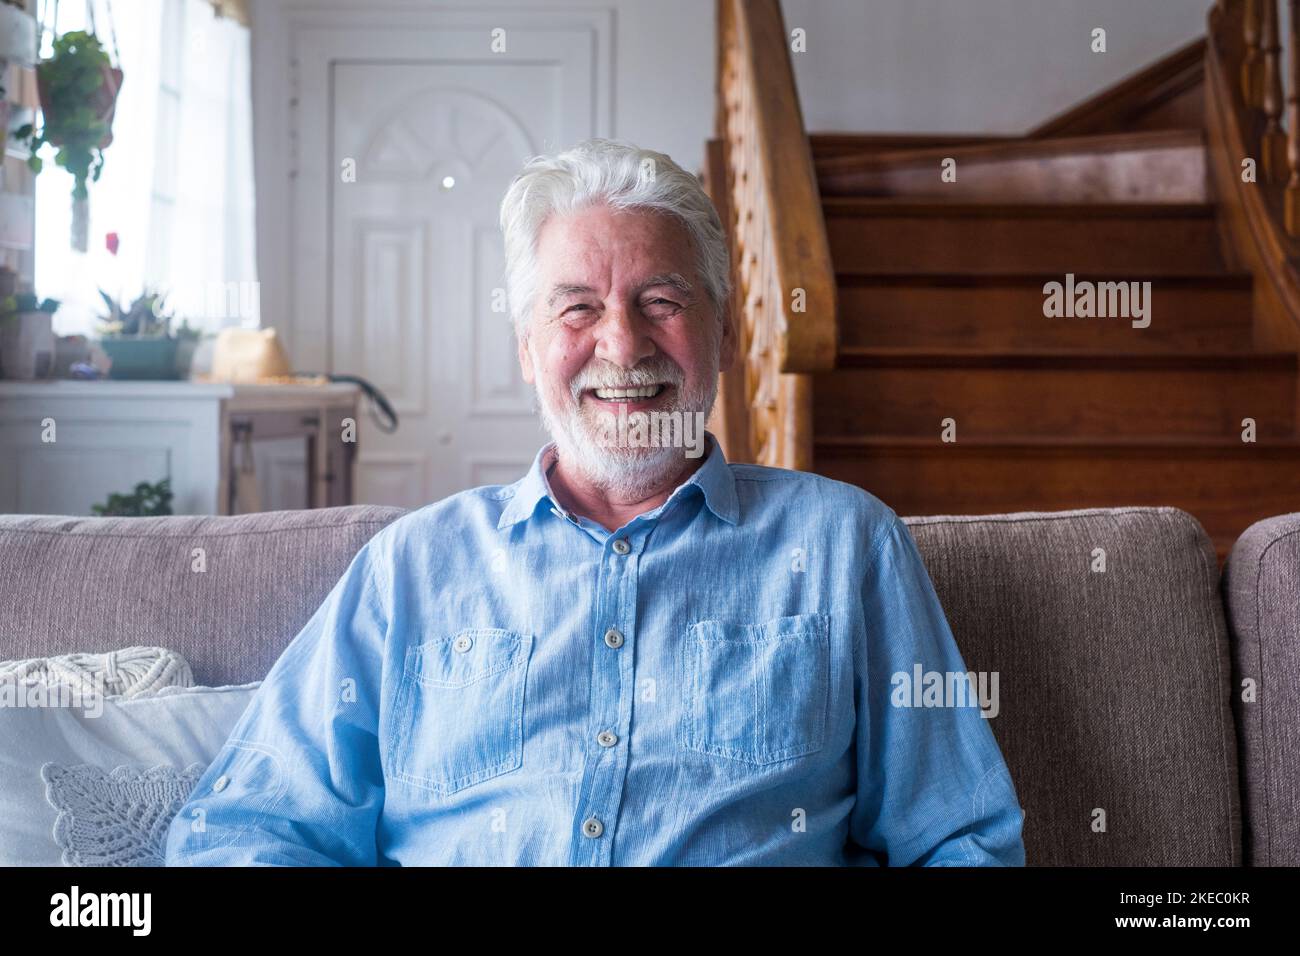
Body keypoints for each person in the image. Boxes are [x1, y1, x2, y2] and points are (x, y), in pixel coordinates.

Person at [165, 138, 1025, 866]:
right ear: (528, 349)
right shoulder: (413, 568)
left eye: (662, 301)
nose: (622, 342)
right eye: (577, 308)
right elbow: (244, 829)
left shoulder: (847, 546)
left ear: (726, 336)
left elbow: (960, 838)